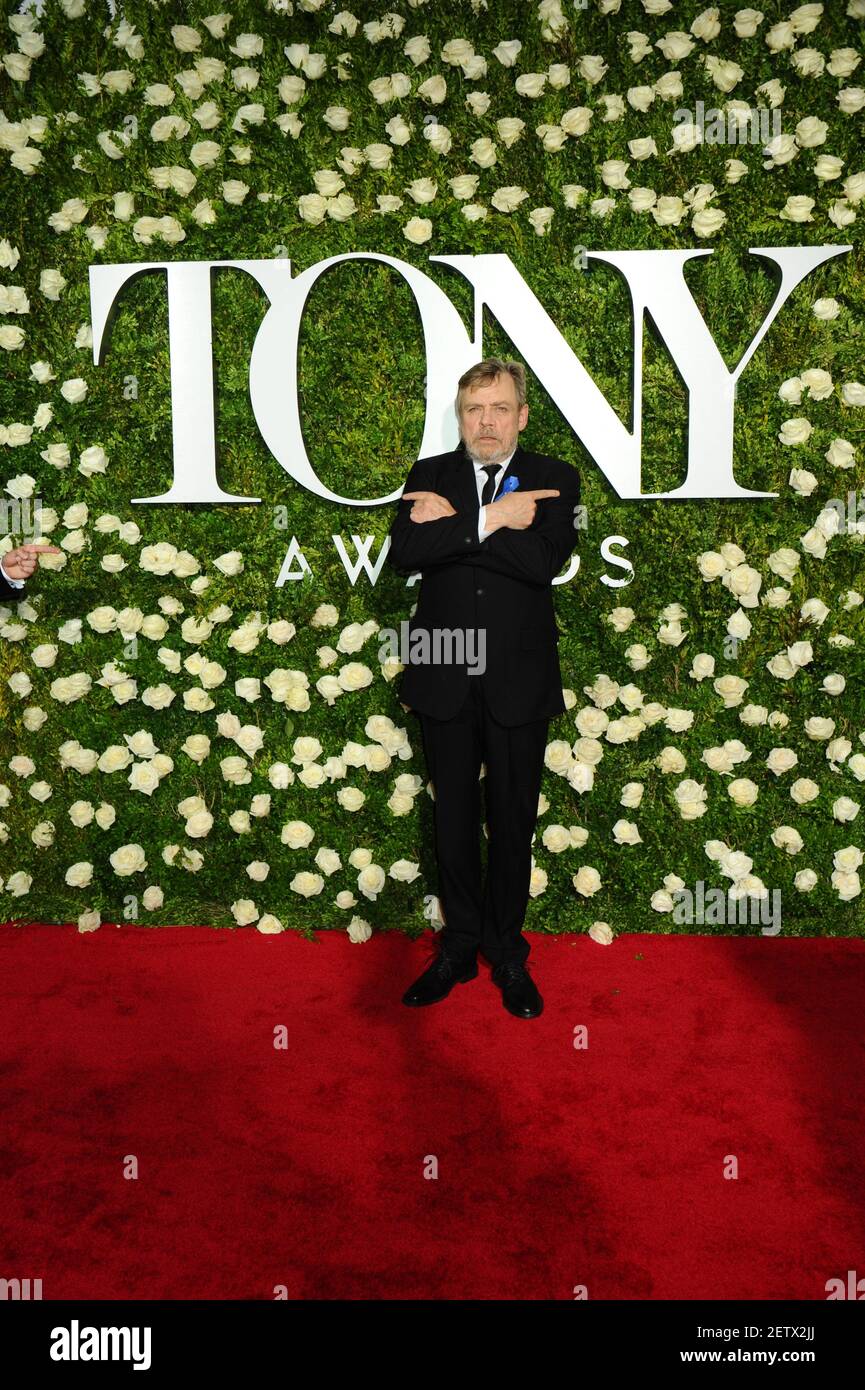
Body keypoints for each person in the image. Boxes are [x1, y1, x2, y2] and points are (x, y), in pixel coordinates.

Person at [387, 358, 581, 1019]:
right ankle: (458, 946)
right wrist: (495, 518)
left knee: (512, 818)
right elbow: (405, 553)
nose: (487, 421)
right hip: (441, 670)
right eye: (475, 410)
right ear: (461, 417)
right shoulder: (429, 475)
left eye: (499, 408)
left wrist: (456, 528)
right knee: (452, 820)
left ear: (521, 416)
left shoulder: (555, 479)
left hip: (517, 679)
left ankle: (505, 951)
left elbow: (542, 563)